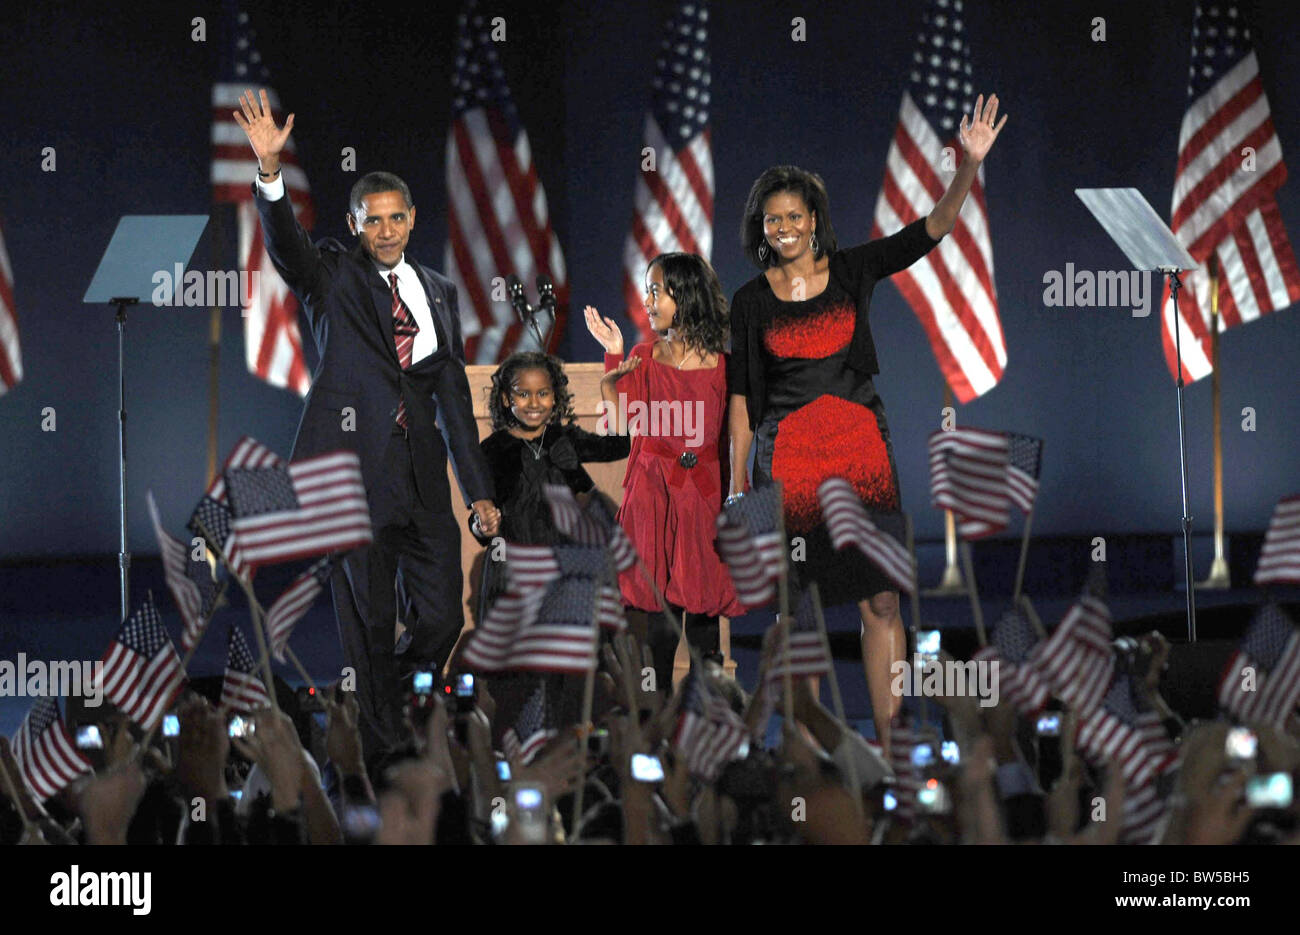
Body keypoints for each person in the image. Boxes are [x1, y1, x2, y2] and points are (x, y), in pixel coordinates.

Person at [725, 95, 1008, 757]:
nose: (785, 227)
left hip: (860, 456)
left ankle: (889, 751)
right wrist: (736, 488)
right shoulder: (750, 301)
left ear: (815, 220)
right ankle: (811, 759)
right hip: (790, 464)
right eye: (774, 220)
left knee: (881, 604)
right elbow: (741, 403)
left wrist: (966, 167)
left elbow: (933, 227)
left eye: (795, 216)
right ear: (762, 228)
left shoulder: (853, 269)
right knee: (800, 619)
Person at [232, 89, 502, 769]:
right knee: (368, 623)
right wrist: (270, 175)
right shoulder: (332, 275)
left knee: (442, 614)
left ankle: (388, 699)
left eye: (395, 218)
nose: (384, 230)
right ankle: (381, 756)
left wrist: (478, 493)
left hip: (421, 476)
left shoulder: (438, 291)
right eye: (370, 220)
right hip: (353, 477)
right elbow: (287, 246)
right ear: (355, 225)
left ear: (412, 220)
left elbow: (452, 397)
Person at [586, 253, 742, 693]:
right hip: (653, 496)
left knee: (705, 628)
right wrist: (612, 357)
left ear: (686, 295)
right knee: (657, 629)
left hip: (705, 498)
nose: (647, 299)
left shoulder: (726, 367)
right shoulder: (644, 356)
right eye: (647, 289)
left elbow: (734, 434)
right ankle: (656, 734)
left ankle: (708, 733)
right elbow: (619, 427)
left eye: (657, 290)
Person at [467, 351, 630, 738]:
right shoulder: (491, 452)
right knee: (518, 672)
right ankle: (517, 746)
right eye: (523, 394)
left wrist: (609, 389)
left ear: (556, 397)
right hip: (514, 575)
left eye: (543, 394)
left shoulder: (564, 440)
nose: (534, 404)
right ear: (506, 398)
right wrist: (483, 524)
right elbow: (480, 520)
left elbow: (619, 446)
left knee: (562, 669)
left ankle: (562, 743)